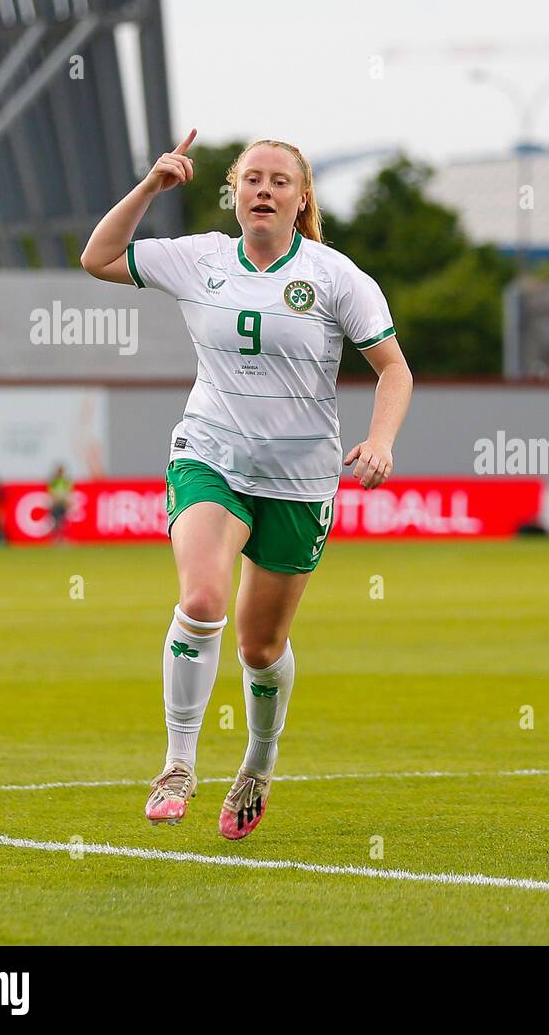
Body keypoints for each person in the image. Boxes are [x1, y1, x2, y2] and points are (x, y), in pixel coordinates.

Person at [81, 129, 413, 838]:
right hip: (210, 455)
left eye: (278, 181)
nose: (263, 190)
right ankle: (177, 764)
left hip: (298, 478)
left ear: (301, 200)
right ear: (234, 194)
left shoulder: (336, 277)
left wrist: (381, 440)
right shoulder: (198, 257)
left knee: (260, 648)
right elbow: (98, 257)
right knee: (201, 598)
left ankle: (258, 765)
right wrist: (149, 187)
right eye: (251, 180)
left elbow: (394, 368)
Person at [47, 464, 73, 541]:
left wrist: (68, 501)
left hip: (62, 503)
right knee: (56, 521)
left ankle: (61, 537)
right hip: (56, 503)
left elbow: (68, 492)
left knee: (62, 521)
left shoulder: (66, 481)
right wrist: (53, 500)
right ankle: (56, 538)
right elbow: (50, 491)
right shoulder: (54, 481)